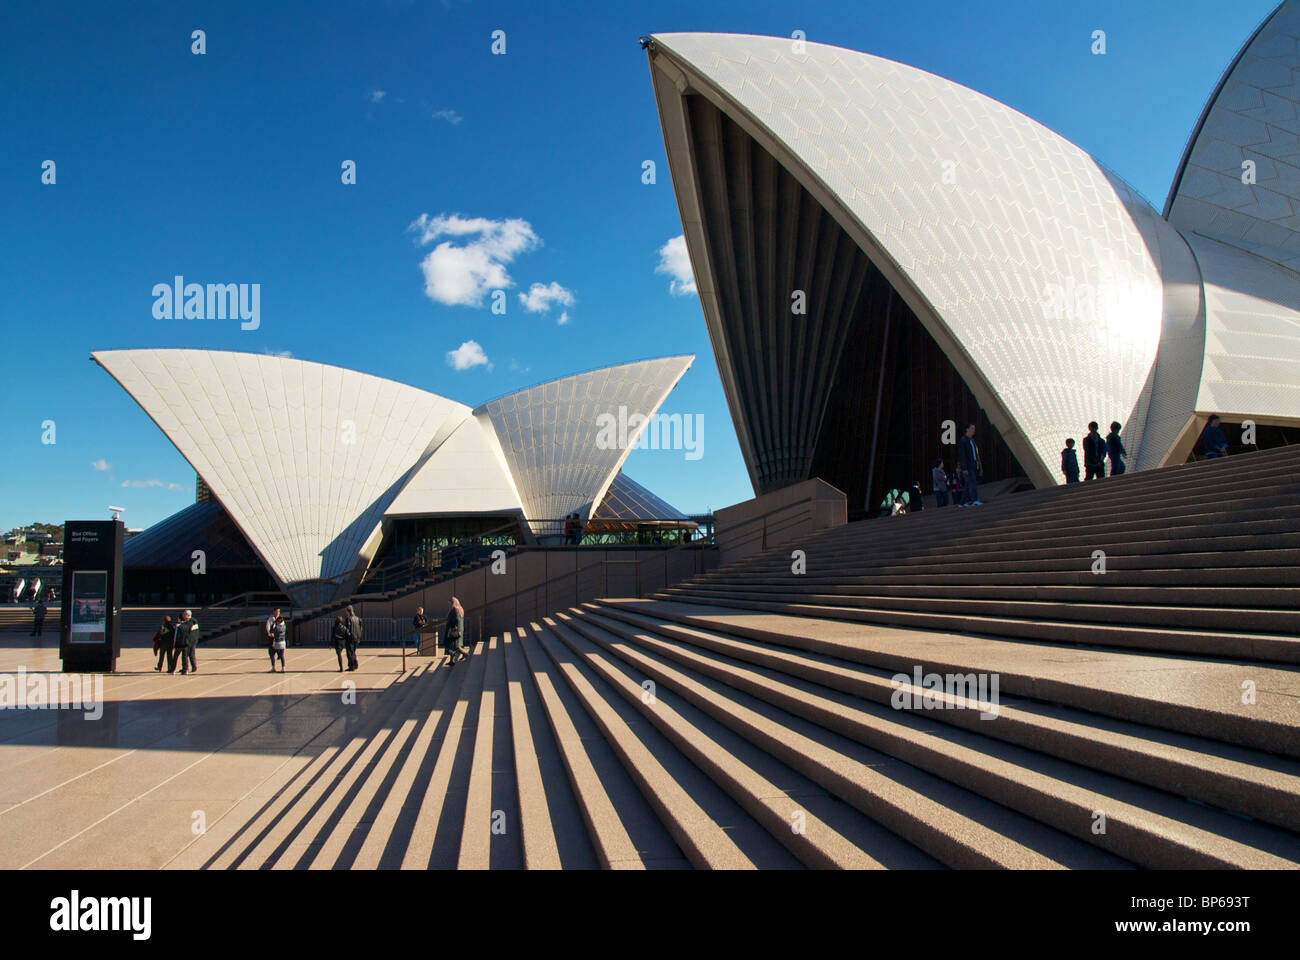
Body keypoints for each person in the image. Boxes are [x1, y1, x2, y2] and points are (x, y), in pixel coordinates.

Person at [958, 423, 982, 505]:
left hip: (974, 464)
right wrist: (964, 468)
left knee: (968, 484)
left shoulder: (972, 440)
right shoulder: (963, 440)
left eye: (974, 428)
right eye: (972, 428)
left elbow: (976, 454)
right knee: (972, 483)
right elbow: (962, 455)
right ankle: (975, 500)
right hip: (968, 466)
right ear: (967, 429)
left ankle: (962, 502)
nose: (973, 430)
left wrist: (979, 466)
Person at [174, 609, 199, 675]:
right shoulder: (188, 621)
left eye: (184, 614)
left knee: (188, 655)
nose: (183, 615)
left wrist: (180, 626)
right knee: (188, 655)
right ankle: (188, 668)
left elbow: (189, 628)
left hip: (190, 641)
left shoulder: (192, 621)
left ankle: (189, 668)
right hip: (189, 641)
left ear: (188, 615)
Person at [444, 596, 467, 665]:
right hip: (458, 630)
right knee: (454, 646)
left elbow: (456, 619)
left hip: (453, 631)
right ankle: (452, 660)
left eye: (450, 603)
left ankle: (465, 654)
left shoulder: (455, 609)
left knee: (454, 646)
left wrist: (451, 625)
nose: (449, 604)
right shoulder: (460, 609)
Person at [344, 605, 362, 671]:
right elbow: (360, 628)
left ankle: (351, 666)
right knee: (353, 651)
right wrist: (359, 636)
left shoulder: (348, 619)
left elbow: (347, 629)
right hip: (356, 637)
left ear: (348, 611)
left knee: (349, 652)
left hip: (350, 638)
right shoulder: (357, 619)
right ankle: (355, 664)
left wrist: (347, 636)